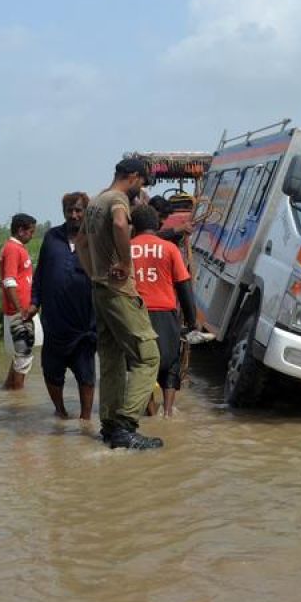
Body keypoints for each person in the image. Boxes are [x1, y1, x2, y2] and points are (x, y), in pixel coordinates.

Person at [79, 157, 163, 450]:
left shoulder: (94, 202)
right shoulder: (117, 200)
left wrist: (94, 275)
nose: (140, 189)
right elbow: (118, 223)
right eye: (142, 182)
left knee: (112, 358)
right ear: (134, 176)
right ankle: (126, 426)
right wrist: (126, 263)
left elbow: (81, 245)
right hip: (119, 291)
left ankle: (111, 426)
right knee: (149, 356)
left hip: (99, 289)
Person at [30, 192, 97, 420]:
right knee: (51, 371)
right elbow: (40, 274)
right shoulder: (51, 237)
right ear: (64, 212)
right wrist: (34, 302)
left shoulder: (94, 239)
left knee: (86, 374)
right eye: (70, 210)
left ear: (86, 212)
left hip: (85, 323)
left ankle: (86, 419)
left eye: (79, 210)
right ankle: (60, 411)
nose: (74, 215)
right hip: (54, 322)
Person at [130, 205, 197, 417]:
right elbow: (184, 286)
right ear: (157, 224)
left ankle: (149, 412)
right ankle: (167, 414)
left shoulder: (125, 249)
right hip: (165, 314)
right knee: (171, 363)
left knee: (142, 364)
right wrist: (192, 322)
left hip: (134, 315)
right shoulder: (169, 249)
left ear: (134, 226)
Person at [0, 213, 42, 390]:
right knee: (23, 356)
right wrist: (20, 311)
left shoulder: (18, 249)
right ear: (21, 230)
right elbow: (9, 281)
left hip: (25, 310)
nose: (32, 235)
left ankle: (9, 390)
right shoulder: (12, 249)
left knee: (20, 355)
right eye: (31, 232)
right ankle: (18, 399)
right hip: (19, 312)